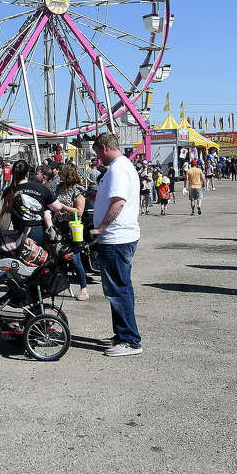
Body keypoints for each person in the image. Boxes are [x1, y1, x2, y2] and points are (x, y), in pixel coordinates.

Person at [90, 133, 142, 357]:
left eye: (97, 152)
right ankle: (122, 333)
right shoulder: (122, 167)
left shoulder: (119, 169)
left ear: (103, 147)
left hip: (116, 238)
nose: (97, 157)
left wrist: (100, 228)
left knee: (118, 290)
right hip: (120, 237)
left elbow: (118, 203)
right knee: (119, 288)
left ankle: (130, 340)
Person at [53, 163, 90, 301]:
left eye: (62, 172)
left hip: (71, 228)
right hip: (59, 225)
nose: (59, 174)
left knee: (75, 259)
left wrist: (62, 206)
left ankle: (84, 289)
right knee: (58, 257)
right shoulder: (59, 187)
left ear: (68, 174)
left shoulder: (78, 190)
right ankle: (60, 285)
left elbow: (79, 211)